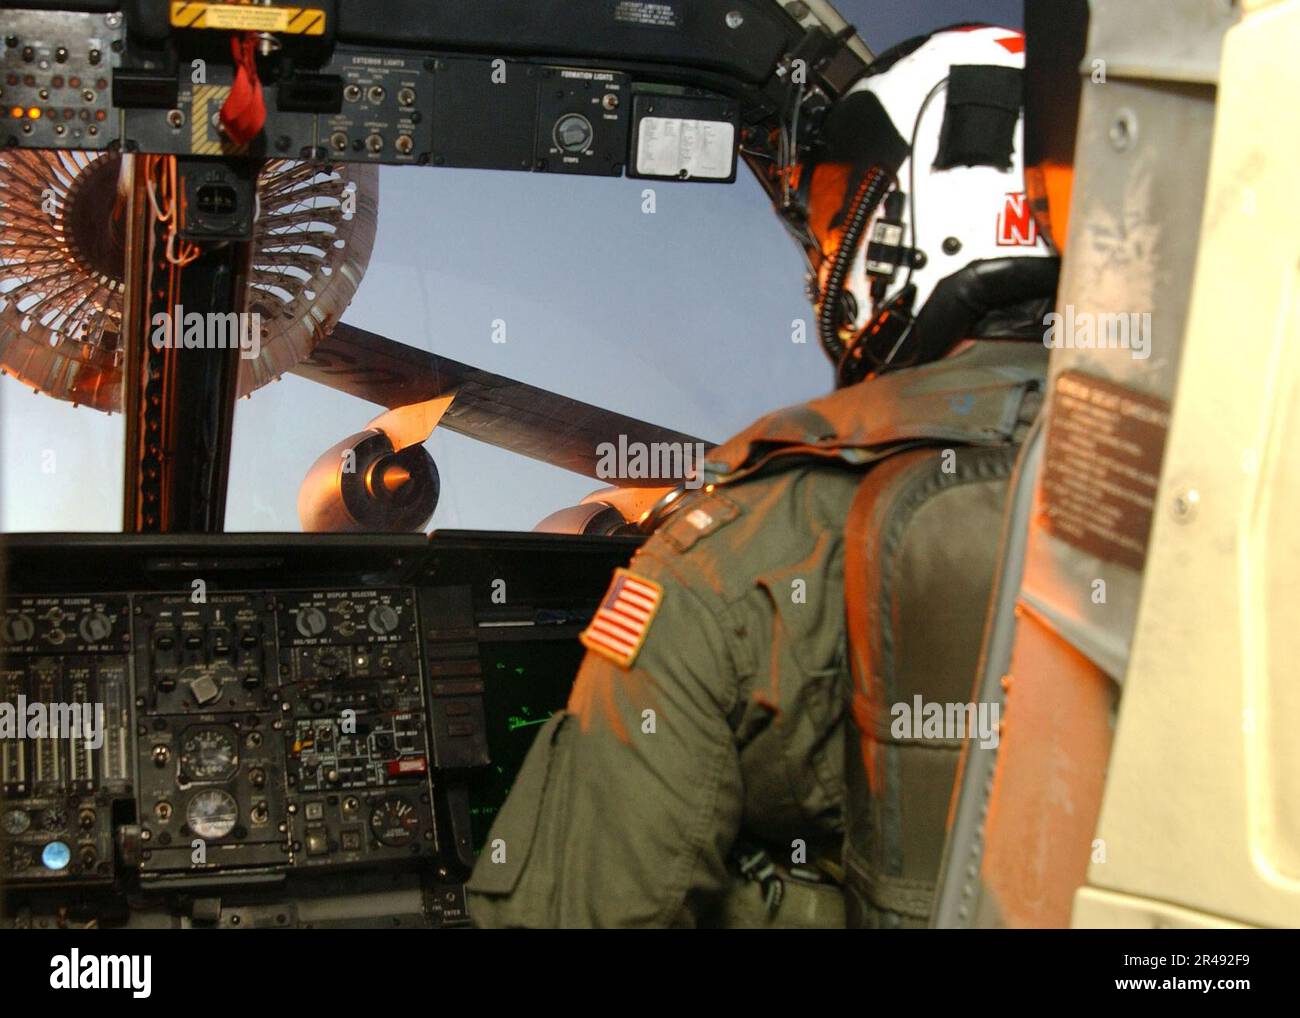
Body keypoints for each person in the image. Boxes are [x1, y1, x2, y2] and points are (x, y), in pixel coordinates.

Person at [466, 23, 1059, 928]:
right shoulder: (1229, 480)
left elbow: (590, 911)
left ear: (913, 224)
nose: (825, 264)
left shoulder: (733, 550)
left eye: (837, 220)